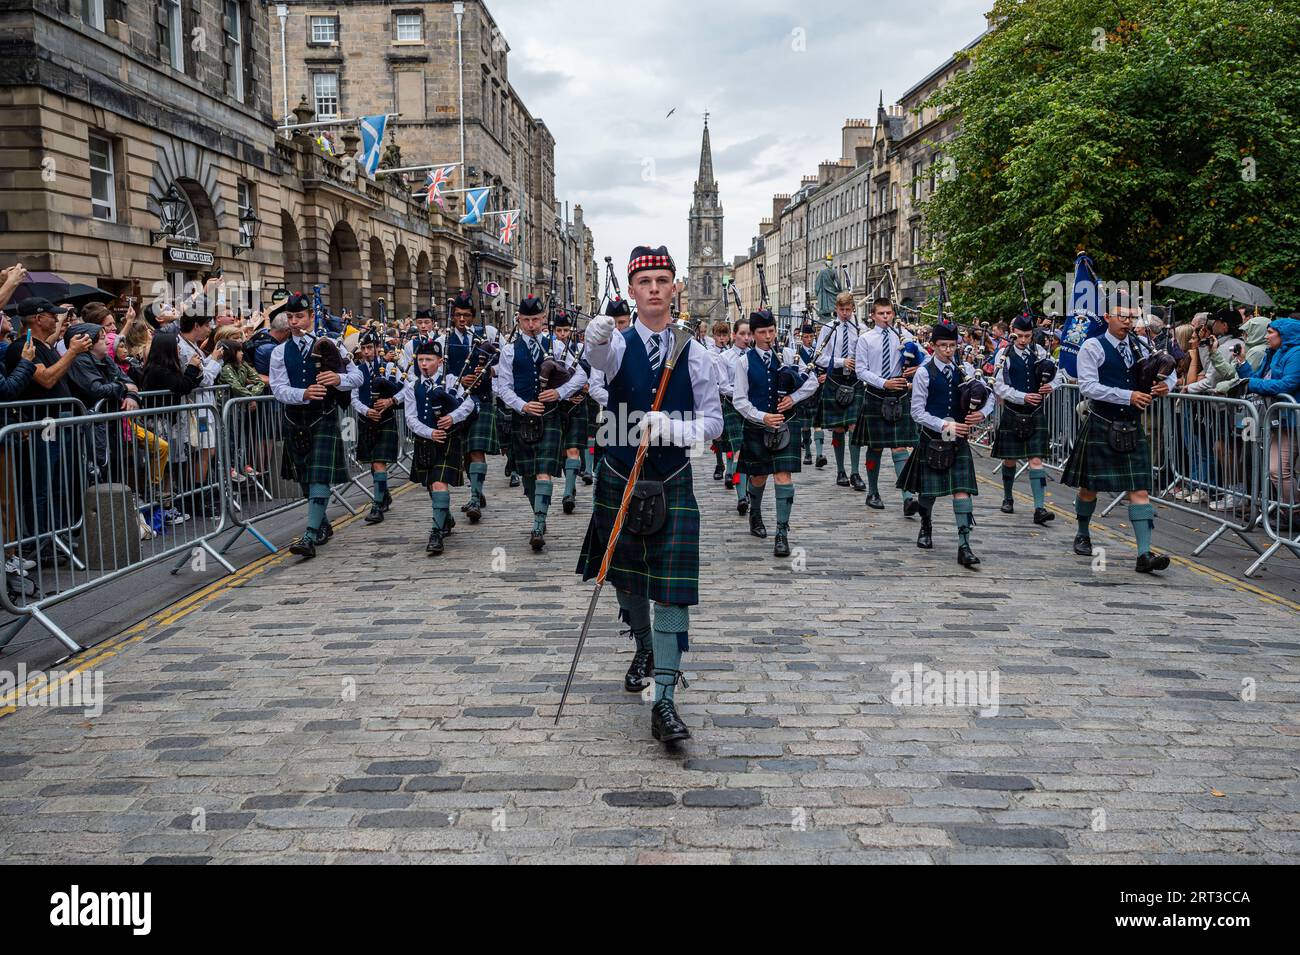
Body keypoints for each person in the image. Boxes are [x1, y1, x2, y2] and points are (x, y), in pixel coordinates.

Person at [577, 245, 722, 744]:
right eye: (645, 282)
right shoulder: (617, 345)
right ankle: (642, 644)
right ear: (633, 292)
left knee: (670, 592)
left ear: (674, 286)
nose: (655, 288)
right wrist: (593, 336)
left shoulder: (695, 351)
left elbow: (714, 424)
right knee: (628, 581)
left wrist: (671, 427)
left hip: (672, 480)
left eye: (663, 279)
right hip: (621, 474)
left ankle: (664, 699)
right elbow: (598, 358)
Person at [1062, 304, 1178, 573]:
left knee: (1139, 489)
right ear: (1107, 317)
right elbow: (1088, 386)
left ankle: (1144, 554)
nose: (1128, 322)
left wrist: (1166, 385)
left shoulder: (1142, 345)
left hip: (1131, 425)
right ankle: (1082, 532)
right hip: (1102, 423)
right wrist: (1129, 396)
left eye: (1132, 317)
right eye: (1121, 316)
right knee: (1089, 488)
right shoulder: (1093, 346)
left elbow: (1170, 372)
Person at [268, 292, 363, 558]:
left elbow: (357, 377)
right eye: (290, 317)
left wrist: (337, 379)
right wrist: (303, 394)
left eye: (300, 316)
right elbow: (278, 389)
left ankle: (309, 535)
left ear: (311, 317)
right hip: (294, 419)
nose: (295, 321)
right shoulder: (279, 352)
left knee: (319, 475)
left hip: (324, 416)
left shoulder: (330, 343)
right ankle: (321, 523)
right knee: (304, 478)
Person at [895, 320, 993, 568]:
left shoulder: (966, 370)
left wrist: (982, 414)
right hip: (933, 439)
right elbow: (917, 412)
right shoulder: (924, 373)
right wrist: (944, 425)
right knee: (928, 493)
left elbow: (990, 395)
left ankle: (964, 545)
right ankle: (926, 526)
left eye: (952, 345)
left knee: (962, 491)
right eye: (943, 346)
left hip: (958, 442)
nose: (948, 350)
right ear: (933, 346)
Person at [494, 294, 587, 551]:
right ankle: (539, 510)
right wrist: (522, 405)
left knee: (544, 469)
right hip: (522, 418)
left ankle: (538, 522)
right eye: (526, 320)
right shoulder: (510, 351)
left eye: (536, 319)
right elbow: (504, 387)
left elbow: (580, 375)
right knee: (528, 475)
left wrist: (560, 393)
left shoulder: (557, 347)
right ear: (519, 320)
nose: (531, 325)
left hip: (550, 416)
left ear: (543, 319)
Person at [733, 308, 818, 557]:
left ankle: (781, 532)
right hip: (758, 426)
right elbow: (739, 400)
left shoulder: (789, 355)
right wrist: (762, 417)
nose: (768, 336)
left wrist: (793, 398)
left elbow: (811, 381)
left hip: (786, 425)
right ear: (753, 335)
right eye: (762, 332)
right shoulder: (743, 362)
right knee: (758, 478)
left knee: (783, 477)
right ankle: (755, 514)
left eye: (771, 331)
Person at [403, 339, 476, 555]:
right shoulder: (411, 385)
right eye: (421, 360)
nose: (424, 364)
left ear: (440, 361)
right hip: (425, 441)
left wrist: (452, 418)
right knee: (431, 485)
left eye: (429, 360)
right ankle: (445, 518)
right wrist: (430, 432)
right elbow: (410, 418)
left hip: (448, 440)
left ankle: (436, 533)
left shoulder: (452, 381)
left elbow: (469, 404)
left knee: (438, 484)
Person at [853, 298, 921, 514]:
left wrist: (916, 368)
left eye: (889, 313)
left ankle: (908, 497)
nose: (885, 317)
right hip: (875, 393)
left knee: (900, 446)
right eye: (881, 313)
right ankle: (872, 492)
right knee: (875, 447)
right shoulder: (865, 340)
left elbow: (926, 359)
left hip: (899, 394)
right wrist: (884, 382)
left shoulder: (905, 337)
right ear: (872, 315)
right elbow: (860, 371)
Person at [991, 314, 1058, 524]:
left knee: (1036, 460)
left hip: (1035, 412)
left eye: (1027, 336)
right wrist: (1023, 396)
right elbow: (998, 384)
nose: (1022, 340)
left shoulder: (1040, 351)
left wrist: (1051, 386)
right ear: (1013, 333)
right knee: (1009, 458)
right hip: (1013, 410)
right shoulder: (1004, 353)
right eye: (1019, 336)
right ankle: (1008, 497)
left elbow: (1059, 374)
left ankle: (1039, 508)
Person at [441, 290, 500, 522]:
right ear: (453, 317)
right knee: (465, 452)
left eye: (466, 315)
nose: (462, 319)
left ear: (473, 316)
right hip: (455, 403)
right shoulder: (443, 340)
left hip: (481, 399)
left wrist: (487, 371)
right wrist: (457, 380)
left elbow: (503, 361)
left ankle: (475, 498)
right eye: (458, 315)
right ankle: (477, 489)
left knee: (476, 449)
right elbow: (438, 371)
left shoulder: (487, 335)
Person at [1243, 317, 1300, 506]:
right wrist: (1242, 364)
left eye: (1270, 332)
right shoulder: (1274, 353)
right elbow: (1255, 378)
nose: (1266, 337)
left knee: (1278, 470)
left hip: (1293, 419)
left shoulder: (1297, 353)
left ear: (1284, 335)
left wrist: (1252, 384)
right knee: (1276, 470)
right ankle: (1292, 513)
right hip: (1282, 421)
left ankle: (1293, 513)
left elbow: (1287, 384)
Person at [348, 331, 404, 522]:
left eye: (370, 348)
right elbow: (353, 398)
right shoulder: (356, 371)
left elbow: (407, 389)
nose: (366, 352)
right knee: (374, 463)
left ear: (378, 347)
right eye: (363, 348)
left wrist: (391, 401)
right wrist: (366, 411)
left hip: (386, 419)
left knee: (379, 462)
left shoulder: (390, 367)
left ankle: (377, 505)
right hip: (367, 421)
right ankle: (384, 495)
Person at [813, 291, 865, 490]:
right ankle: (841, 471)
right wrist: (843, 361)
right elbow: (819, 358)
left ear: (853, 308)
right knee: (838, 428)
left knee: (853, 426)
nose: (845, 314)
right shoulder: (828, 329)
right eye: (841, 310)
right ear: (836, 309)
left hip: (854, 380)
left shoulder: (861, 329)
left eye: (848, 309)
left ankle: (855, 472)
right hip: (835, 378)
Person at [549, 310, 589, 513]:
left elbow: (591, 377)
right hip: (556, 407)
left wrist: (582, 389)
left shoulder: (581, 349)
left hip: (577, 406)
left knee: (573, 449)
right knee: (564, 452)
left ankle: (567, 494)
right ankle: (570, 486)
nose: (563, 334)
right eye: (559, 330)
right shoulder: (550, 350)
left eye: (566, 330)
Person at [719, 316, 751, 514]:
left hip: (752, 409)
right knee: (738, 450)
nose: (746, 338)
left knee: (750, 452)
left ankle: (747, 490)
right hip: (733, 406)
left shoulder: (756, 356)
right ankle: (741, 497)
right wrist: (741, 393)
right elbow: (723, 386)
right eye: (742, 334)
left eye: (749, 334)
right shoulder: (725, 358)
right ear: (734, 335)